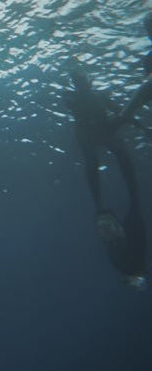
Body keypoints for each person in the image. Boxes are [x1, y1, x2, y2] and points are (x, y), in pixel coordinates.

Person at [64, 65, 147, 289]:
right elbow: (120, 111)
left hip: (96, 130)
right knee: (102, 161)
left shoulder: (85, 96)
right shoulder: (80, 97)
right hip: (93, 131)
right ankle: (108, 204)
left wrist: (136, 124)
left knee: (112, 158)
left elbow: (120, 111)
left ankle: (107, 205)